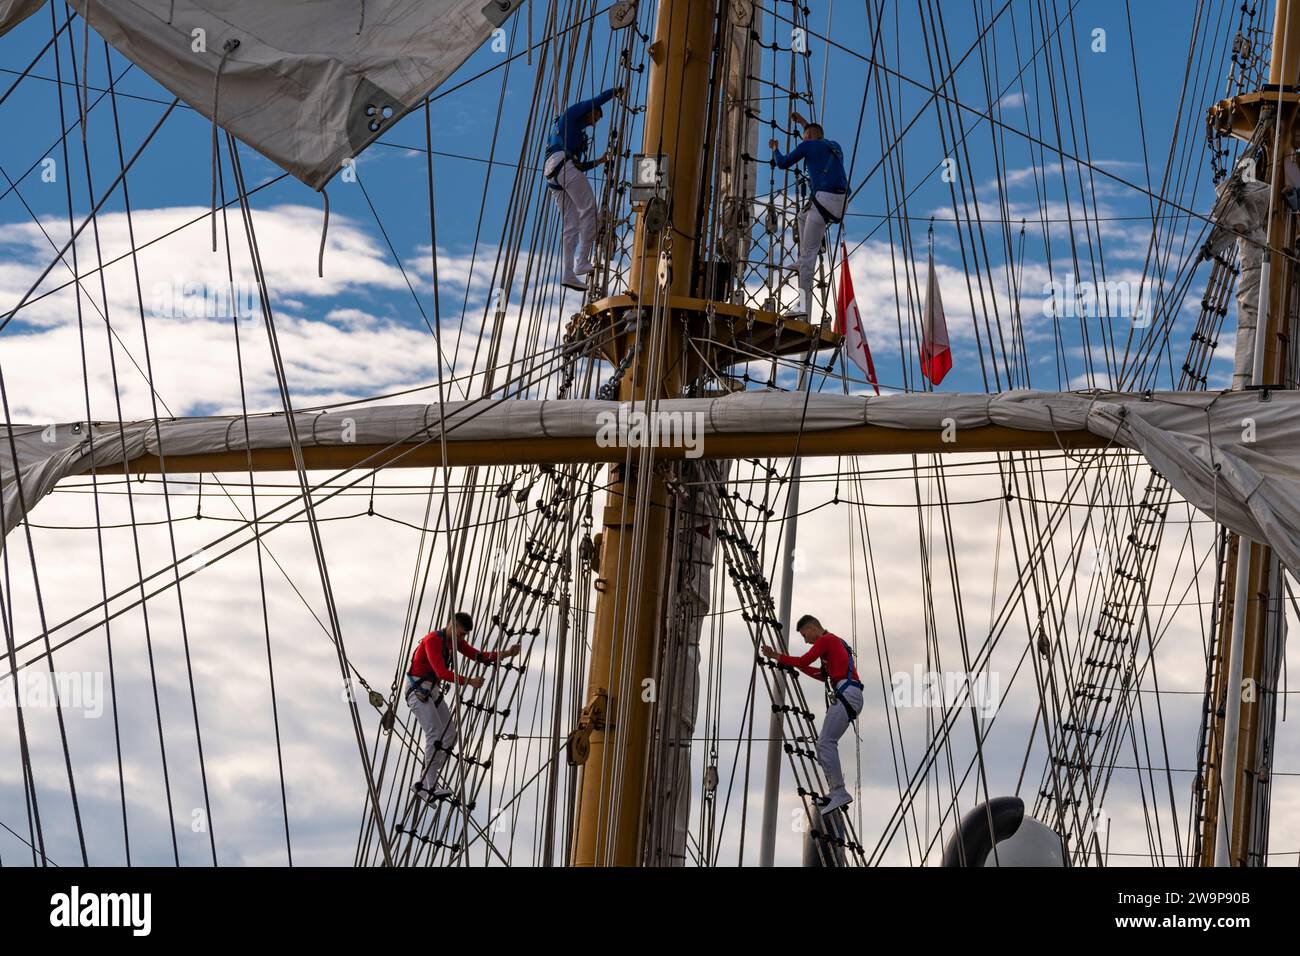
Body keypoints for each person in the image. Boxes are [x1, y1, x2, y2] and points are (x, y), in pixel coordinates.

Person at [406, 611, 521, 802]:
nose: (462, 638)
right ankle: (429, 786)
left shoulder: (455, 642)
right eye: (461, 633)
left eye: (465, 636)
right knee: (434, 733)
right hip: (418, 690)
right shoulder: (432, 640)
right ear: (451, 624)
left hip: (431, 691)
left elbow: (478, 656)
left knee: (450, 735)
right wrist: (469, 681)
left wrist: (507, 653)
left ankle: (425, 782)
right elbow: (441, 672)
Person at [761, 613, 862, 814]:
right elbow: (819, 674)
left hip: (847, 693)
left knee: (825, 742)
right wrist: (794, 665)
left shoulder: (826, 640)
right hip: (849, 694)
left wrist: (776, 656)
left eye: (804, 635)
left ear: (812, 627)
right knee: (824, 743)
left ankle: (839, 791)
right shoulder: (832, 647)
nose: (806, 640)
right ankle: (835, 792)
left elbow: (804, 659)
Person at [768, 112, 849, 318]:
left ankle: (803, 308)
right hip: (840, 202)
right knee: (802, 218)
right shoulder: (834, 146)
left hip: (823, 199)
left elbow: (783, 163)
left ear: (809, 136)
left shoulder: (808, 145)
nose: (802, 140)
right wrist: (804, 123)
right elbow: (815, 135)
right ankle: (802, 258)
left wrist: (776, 149)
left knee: (809, 259)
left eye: (804, 136)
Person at [544, 86, 623, 290]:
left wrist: (598, 161)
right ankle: (582, 261)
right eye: (596, 117)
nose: (595, 122)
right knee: (589, 209)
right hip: (563, 165)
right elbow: (597, 100)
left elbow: (577, 167)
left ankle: (568, 273)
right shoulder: (572, 113)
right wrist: (615, 91)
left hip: (554, 171)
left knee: (570, 225)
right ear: (592, 111)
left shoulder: (567, 131)